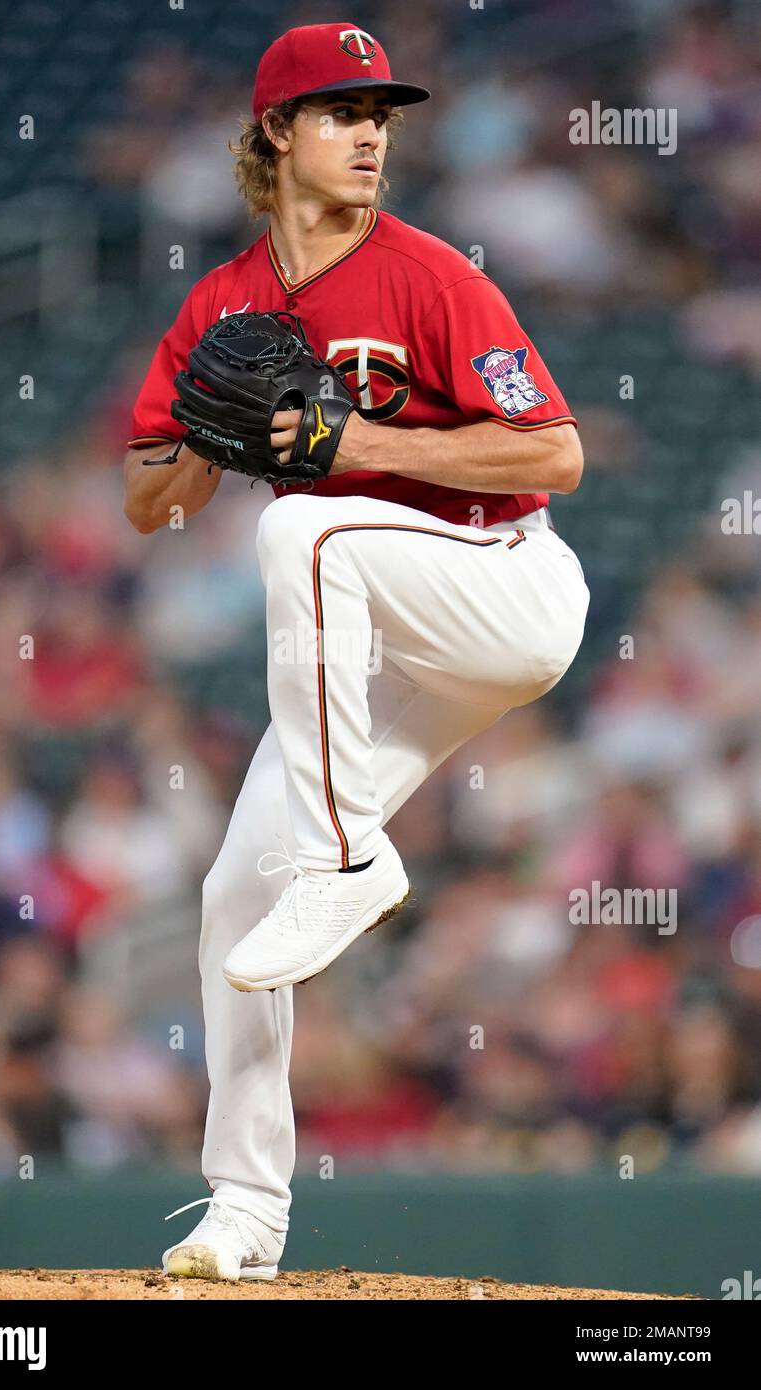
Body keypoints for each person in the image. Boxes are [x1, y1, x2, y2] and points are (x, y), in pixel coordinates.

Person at [123, 21, 589, 1283]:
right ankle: (245, 1211)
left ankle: (348, 856)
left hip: (501, 591)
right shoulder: (219, 300)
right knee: (233, 900)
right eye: (339, 110)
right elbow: (146, 501)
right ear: (276, 132)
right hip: (367, 643)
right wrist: (210, 445)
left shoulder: (433, 276)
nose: (371, 130)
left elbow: (554, 455)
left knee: (310, 528)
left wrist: (359, 449)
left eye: (380, 109)